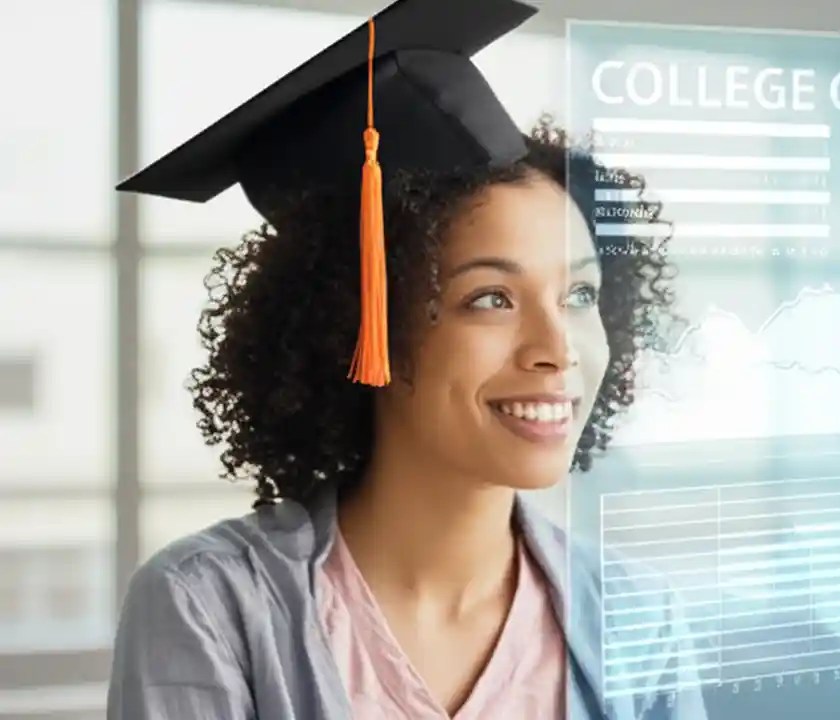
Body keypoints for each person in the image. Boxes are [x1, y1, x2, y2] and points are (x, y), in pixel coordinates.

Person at [106, 0, 706, 718]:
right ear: (361, 326)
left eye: (579, 293)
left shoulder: (640, 618)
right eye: (491, 298)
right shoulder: (210, 605)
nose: (557, 350)